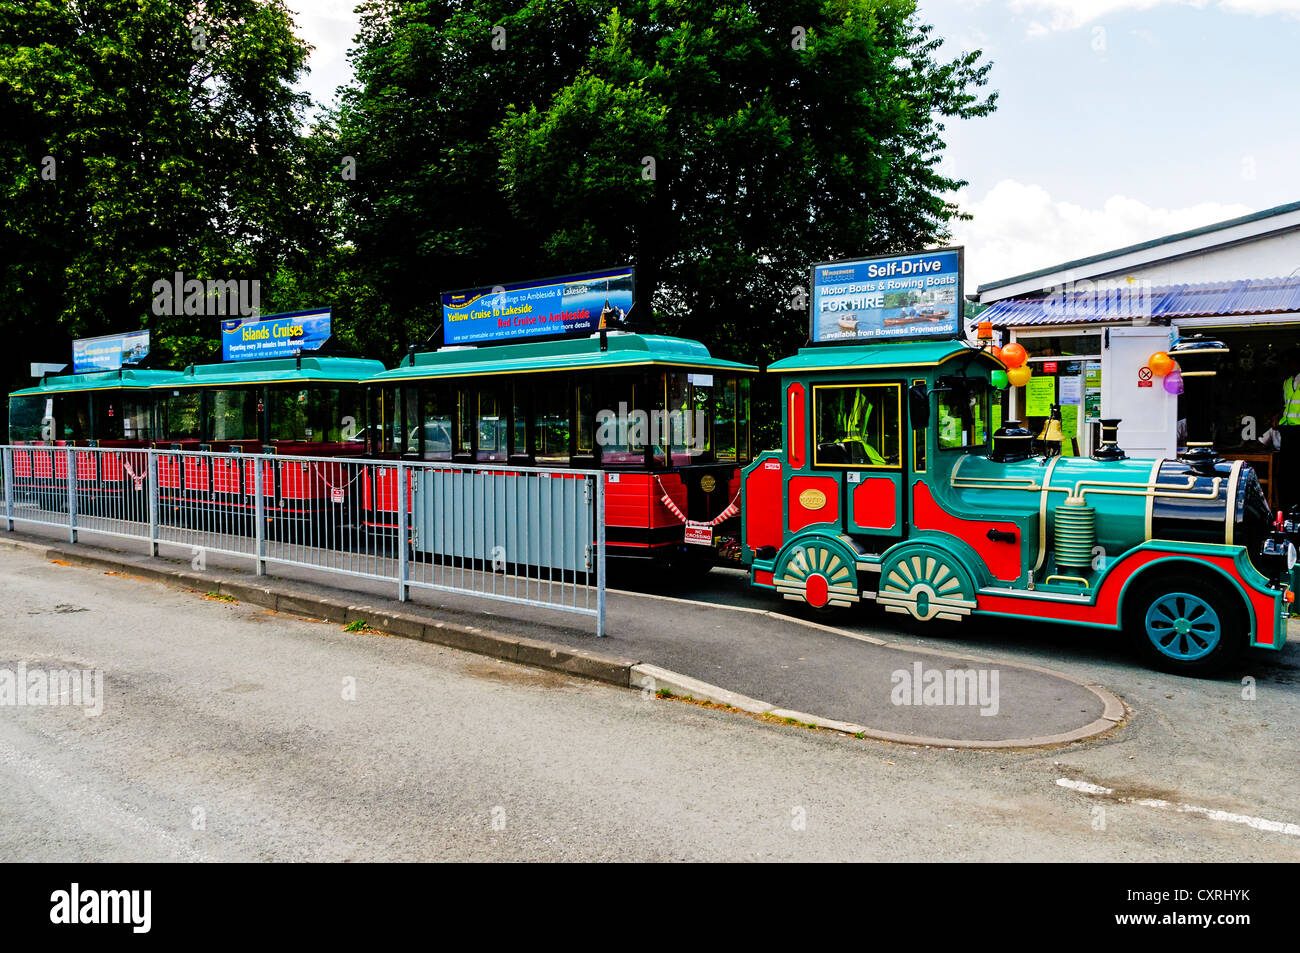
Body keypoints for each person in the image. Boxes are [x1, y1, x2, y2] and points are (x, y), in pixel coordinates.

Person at [1278, 348, 1300, 510]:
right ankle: (1286, 507)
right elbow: (1287, 405)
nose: (1289, 365)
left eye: (1291, 361)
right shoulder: (1286, 383)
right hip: (1287, 432)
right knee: (1286, 474)